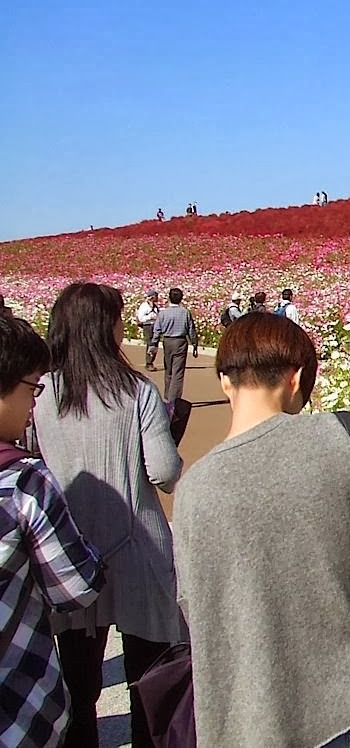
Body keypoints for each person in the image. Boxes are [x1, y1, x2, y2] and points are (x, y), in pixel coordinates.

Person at [172, 313, 350, 746]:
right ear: (297, 379)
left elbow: (194, 607)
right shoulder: (344, 435)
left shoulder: (194, 490)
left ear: (225, 382)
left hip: (261, 719)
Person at [30, 283, 184, 748]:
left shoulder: (39, 394)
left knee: (79, 685)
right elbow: (164, 472)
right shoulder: (135, 390)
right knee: (148, 681)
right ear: (104, 329)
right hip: (138, 548)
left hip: (68, 553)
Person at [1, 314, 106, 748]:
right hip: (20, 714)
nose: (33, 404)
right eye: (32, 388)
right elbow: (75, 587)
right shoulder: (23, 483)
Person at [148, 287, 199, 404]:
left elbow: (157, 330)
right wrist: (195, 344)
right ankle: (174, 398)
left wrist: (153, 345)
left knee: (168, 369)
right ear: (181, 299)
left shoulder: (163, 313)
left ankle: (167, 395)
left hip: (167, 341)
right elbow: (191, 330)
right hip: (180, 342)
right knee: (178, 371)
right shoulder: (185, 312)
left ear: (169, 298)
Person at [133, 290, 159, 370]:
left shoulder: (154, 306)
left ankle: (151, 361)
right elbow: (141, 318)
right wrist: (150, 317)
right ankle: (149, 363)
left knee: (155, 344)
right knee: (150, 343)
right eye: (156, 296)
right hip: (148, 326)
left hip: (155, 325)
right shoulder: (144, 306)